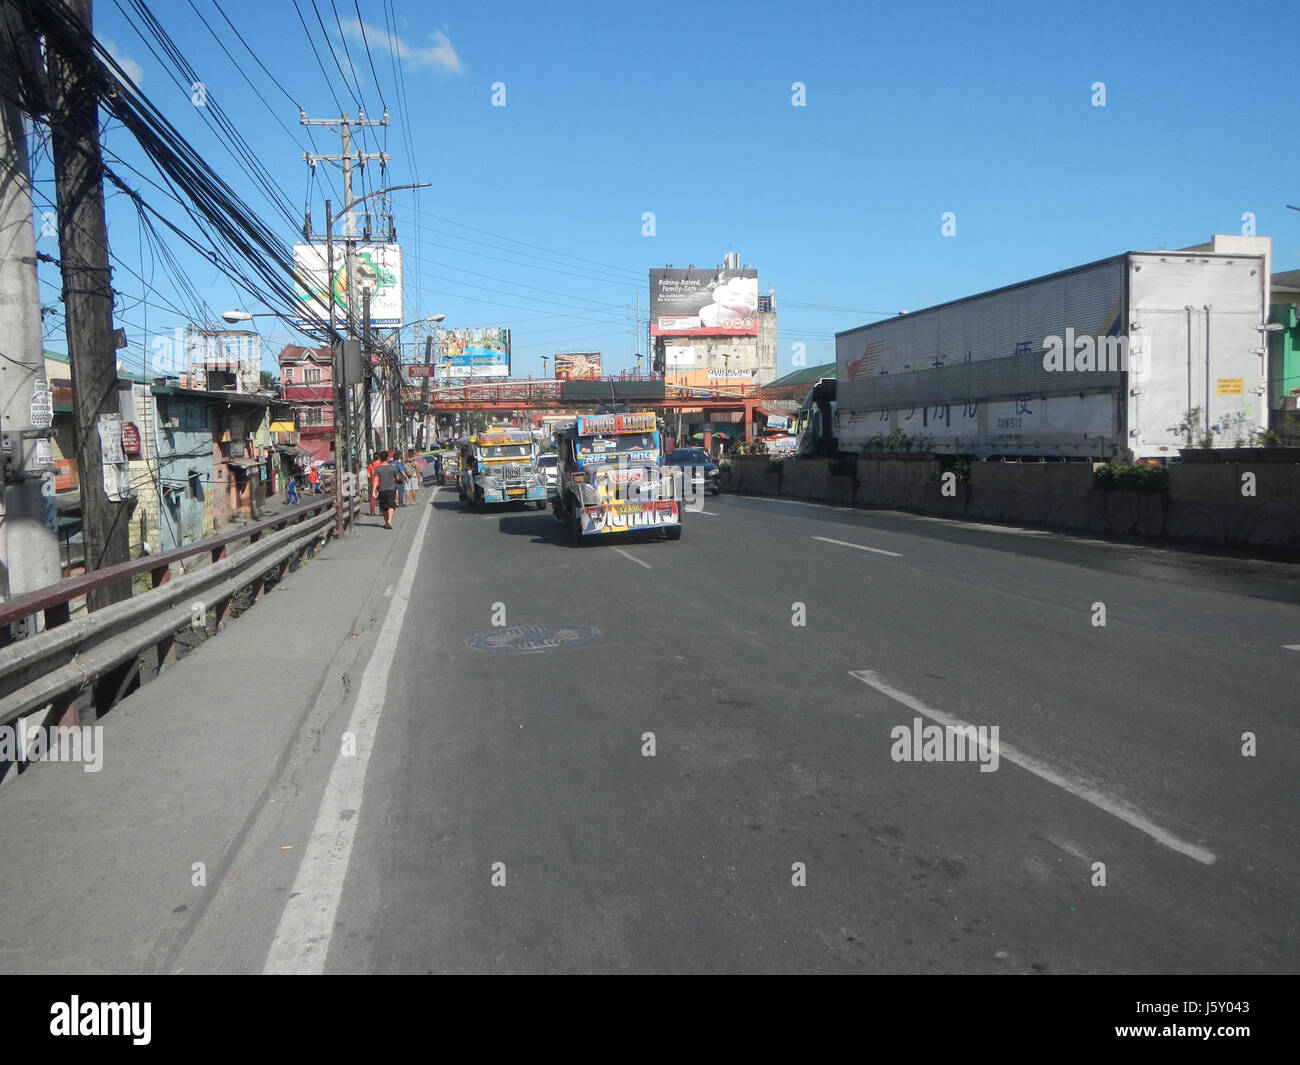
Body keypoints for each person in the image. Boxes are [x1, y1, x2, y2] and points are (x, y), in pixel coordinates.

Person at [372, 451, 405, 528]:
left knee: (383, 507)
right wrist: (395, 480)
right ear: (388, 458)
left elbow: (376, 481)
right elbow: (397, 478)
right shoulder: (393, 468)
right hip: (391, 488)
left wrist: (373, 491)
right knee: (391, 505)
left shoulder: (377, 469)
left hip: (382, 489)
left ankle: (387, 522)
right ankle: (389, 521)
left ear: (380, 458)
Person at [367, 451, 384, 515]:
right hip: (381, 482)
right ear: (379, 457)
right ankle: (381, 511)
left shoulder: (370, 466)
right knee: (381, 497)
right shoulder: (382, 464)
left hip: (373, 482)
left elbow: (369, 476)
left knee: (372, 497)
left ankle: (372, 511)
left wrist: (370, 483)